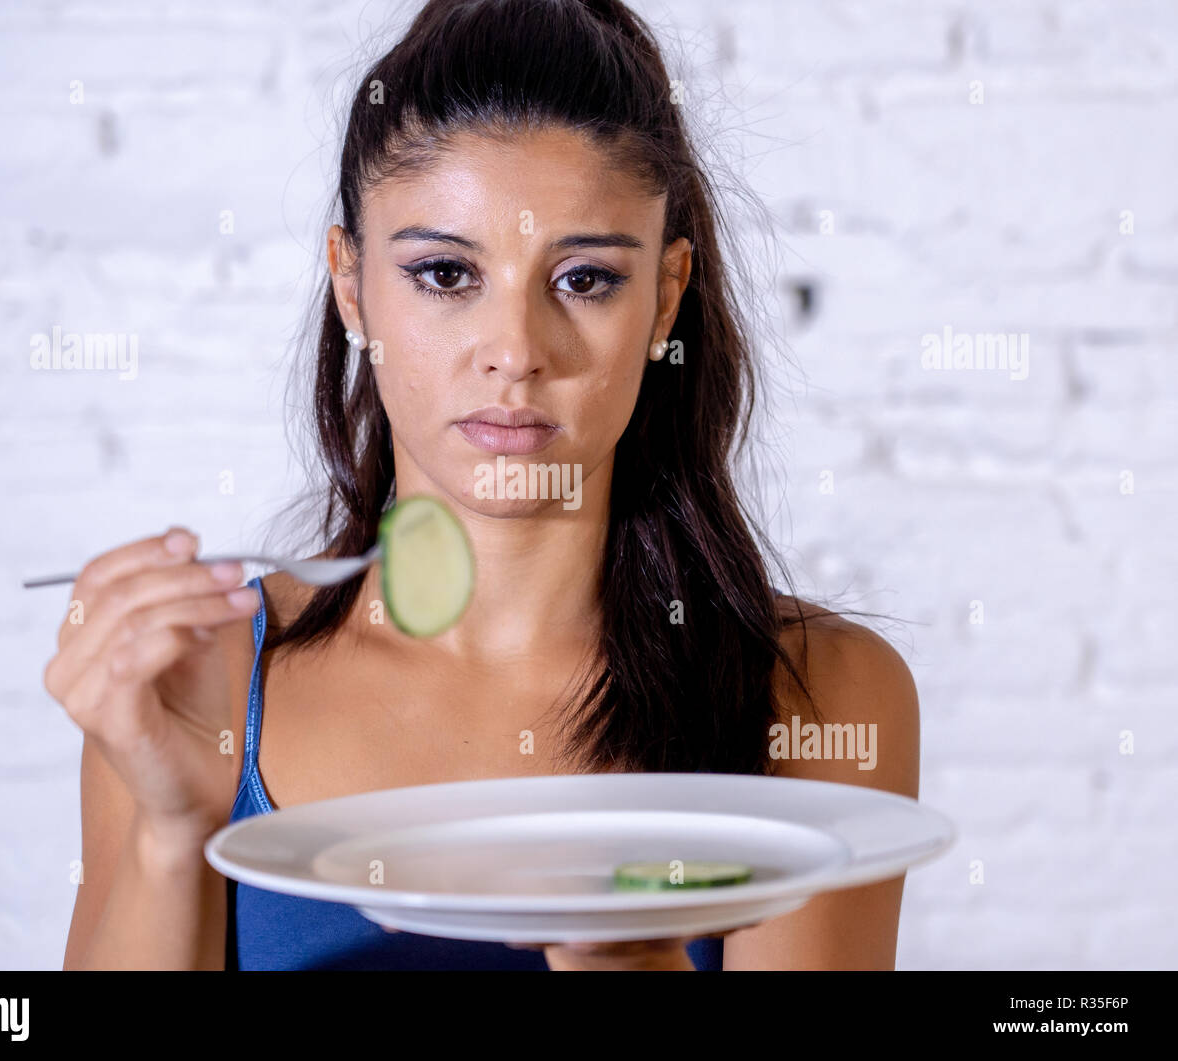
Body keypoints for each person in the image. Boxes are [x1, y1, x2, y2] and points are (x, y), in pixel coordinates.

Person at [48, 0, 920, 971]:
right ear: (350, 282)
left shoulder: (816, 695)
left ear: (665, 296)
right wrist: (171, 831)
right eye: (446, 273)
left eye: (584, 279)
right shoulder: (195, 683)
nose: (513, 352)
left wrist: (620, 959)